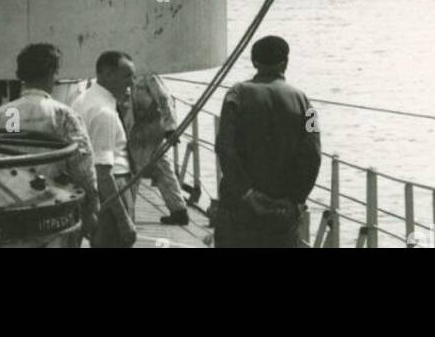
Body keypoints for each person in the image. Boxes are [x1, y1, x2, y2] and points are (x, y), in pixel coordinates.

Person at [214, 34, 322, 249]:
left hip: (239, 209)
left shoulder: (235, 95)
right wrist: (295, 199)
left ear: (254, 62)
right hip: (282, 211)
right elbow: (313, 154)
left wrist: (247, 193)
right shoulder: (306, 103)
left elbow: (224, 147)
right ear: (286, 62)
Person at [0, 43, 98, 240]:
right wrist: (91, 207)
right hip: (52, 212)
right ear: (53, 73)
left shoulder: (2, 114)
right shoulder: (63, 115)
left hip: (8, 209)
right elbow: (82, 166)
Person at [74, 50, 137, 248]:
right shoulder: (104, 112)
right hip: (113, 189)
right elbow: (103, 173)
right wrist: (123, 219)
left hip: (91, 190)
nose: (131, 82)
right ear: (107, 74)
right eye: (127, 75)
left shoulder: (82, 100)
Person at [126, 70, 189, 226]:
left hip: (149, 128)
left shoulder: (149, 74)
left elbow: (164, 98)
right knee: (162, 167)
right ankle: (179, 210)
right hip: (137, 128)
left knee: (134, 168)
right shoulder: (126, 73)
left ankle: (128, 213)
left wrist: (170, 127)